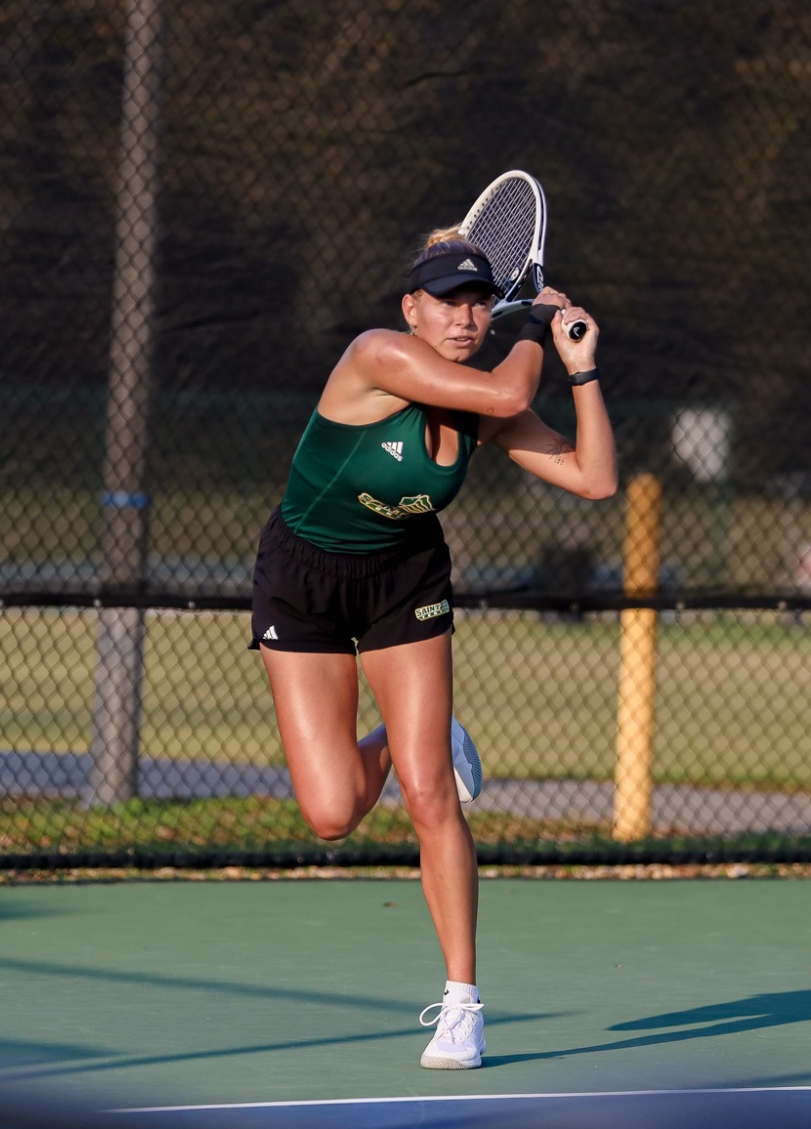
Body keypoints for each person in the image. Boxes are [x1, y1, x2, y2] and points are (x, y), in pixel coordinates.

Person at [249, 226, 616, 1071]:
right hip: (301, 579)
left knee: (429, 798)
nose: (465, 315)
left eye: (480, 300)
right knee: (333, 813)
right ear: (411, 309)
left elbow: (594, 478)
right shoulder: (377, 353)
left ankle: (462, 1006)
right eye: (448, 301)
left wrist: (582, 367)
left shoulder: (482, 397)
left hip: (404, 580)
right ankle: (425, 738)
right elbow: (496, 397)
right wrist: (531, 327)